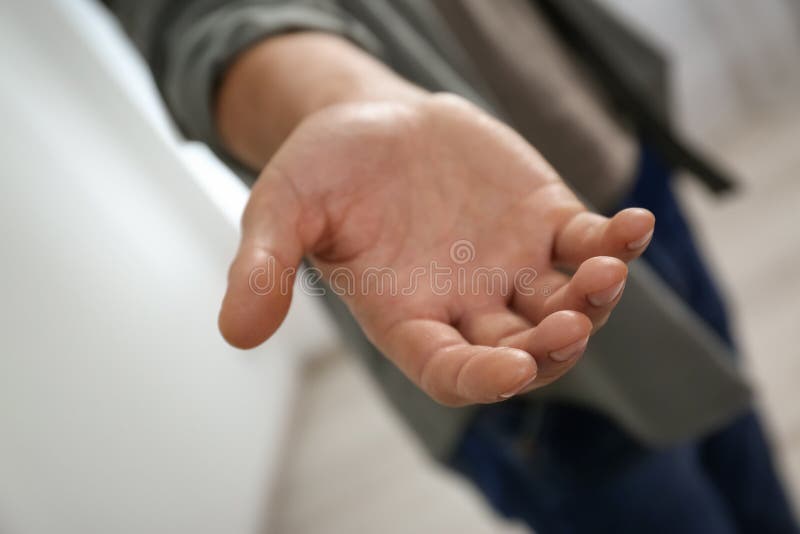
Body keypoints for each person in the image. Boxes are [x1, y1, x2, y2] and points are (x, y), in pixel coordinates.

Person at [105, 0, 798, 532]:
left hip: (605, 165)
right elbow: (198, 20)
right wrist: (349, 101)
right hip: (480, 292)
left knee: (750, 471)